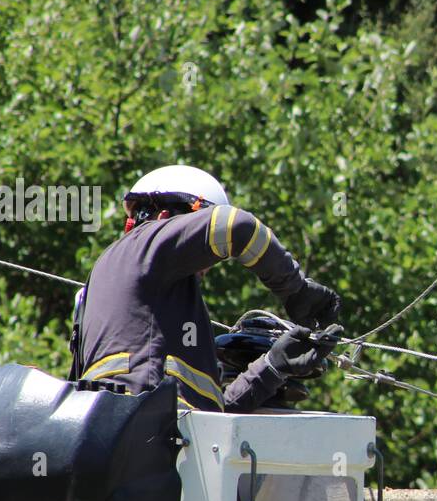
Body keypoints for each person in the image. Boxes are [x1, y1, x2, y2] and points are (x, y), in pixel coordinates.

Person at [72, 164, 341, 412]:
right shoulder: (143, 246)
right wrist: (296, 290)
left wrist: (272, 367)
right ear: (166, 219)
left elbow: (211, 420)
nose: (208, 265)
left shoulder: (145, 297)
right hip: (141, 432)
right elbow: (237, 226)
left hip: (157, 447)